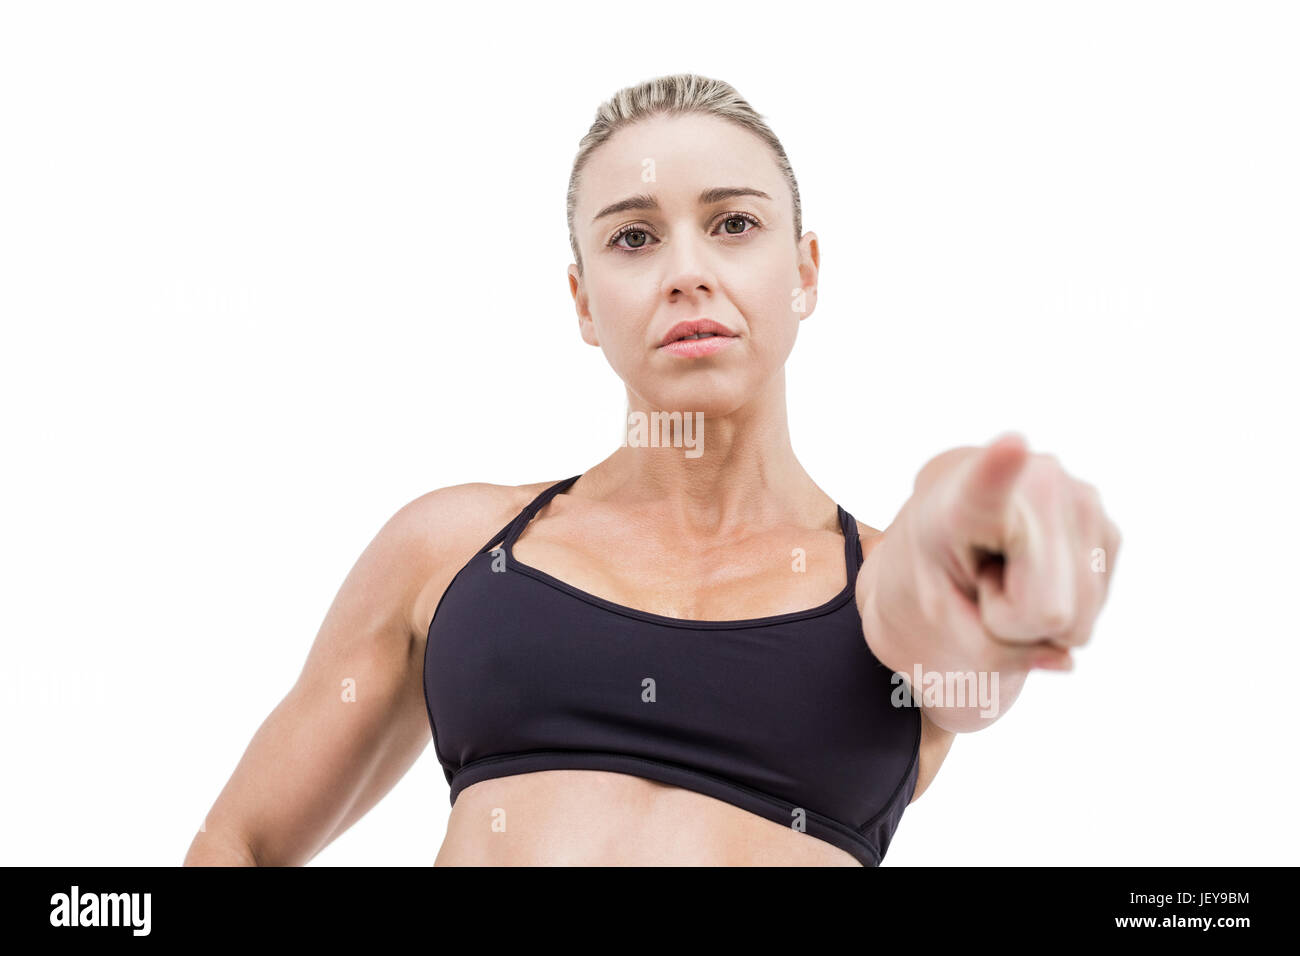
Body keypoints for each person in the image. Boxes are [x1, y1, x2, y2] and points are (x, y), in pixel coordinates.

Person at [184, 73, 1120, 867]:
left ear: (806, 272)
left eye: (734, 224)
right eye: (635, 237)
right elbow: (242, 842)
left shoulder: (885, 589)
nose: (687, 271)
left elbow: (967, 664)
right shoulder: (458, 547)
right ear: (584, 301)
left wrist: (998, 552)